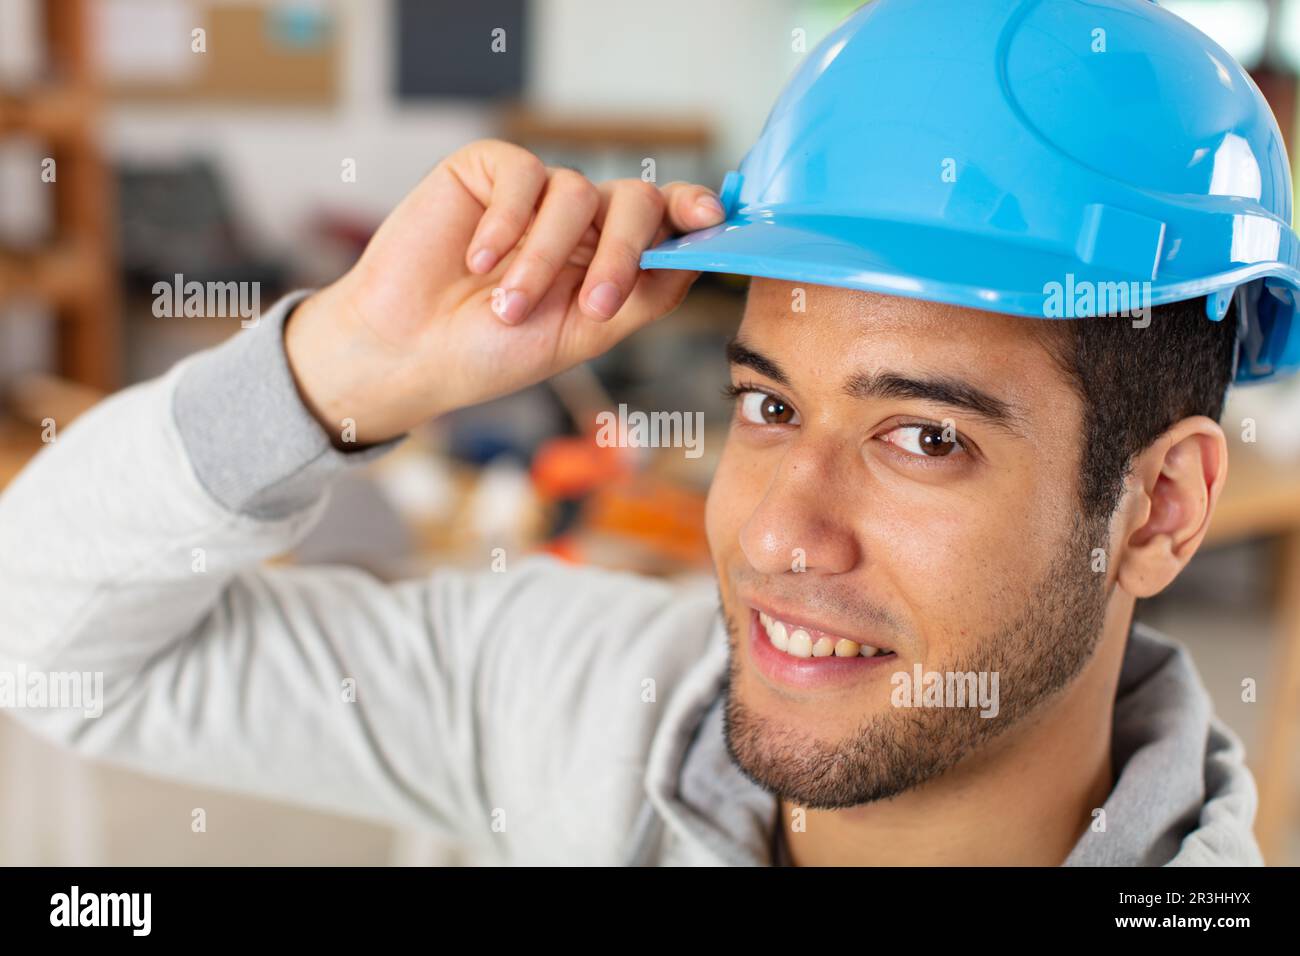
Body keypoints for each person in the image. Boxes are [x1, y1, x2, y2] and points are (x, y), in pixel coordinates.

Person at [3, 0, 1295, 865]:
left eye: (925, 439)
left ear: (1160, 509)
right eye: (768, 407)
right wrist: (336, 370)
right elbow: (48, 644)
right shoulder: (572, 694)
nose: (780, 534)